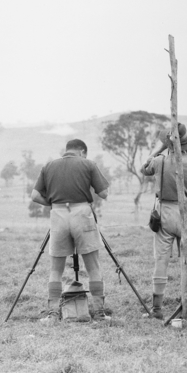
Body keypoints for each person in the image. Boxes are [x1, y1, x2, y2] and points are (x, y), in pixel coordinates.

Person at [31, 139, 110, 324]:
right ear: (82, 151)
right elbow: (104, 193)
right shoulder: (88, 164)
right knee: (93, 267)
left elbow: (35, 196)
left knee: (55, 270)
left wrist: (54, 203)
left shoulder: (49, 166)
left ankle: (52, 315)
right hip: (82, 213)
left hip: (58, 214)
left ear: (67, 150)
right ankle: (99, 314)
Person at [140, 123, 187, 319]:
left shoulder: (160, 161)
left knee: (161, 259)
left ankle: (157, 308)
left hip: (166, 211)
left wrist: (163, 148)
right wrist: (182, 147)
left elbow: (145, 169)